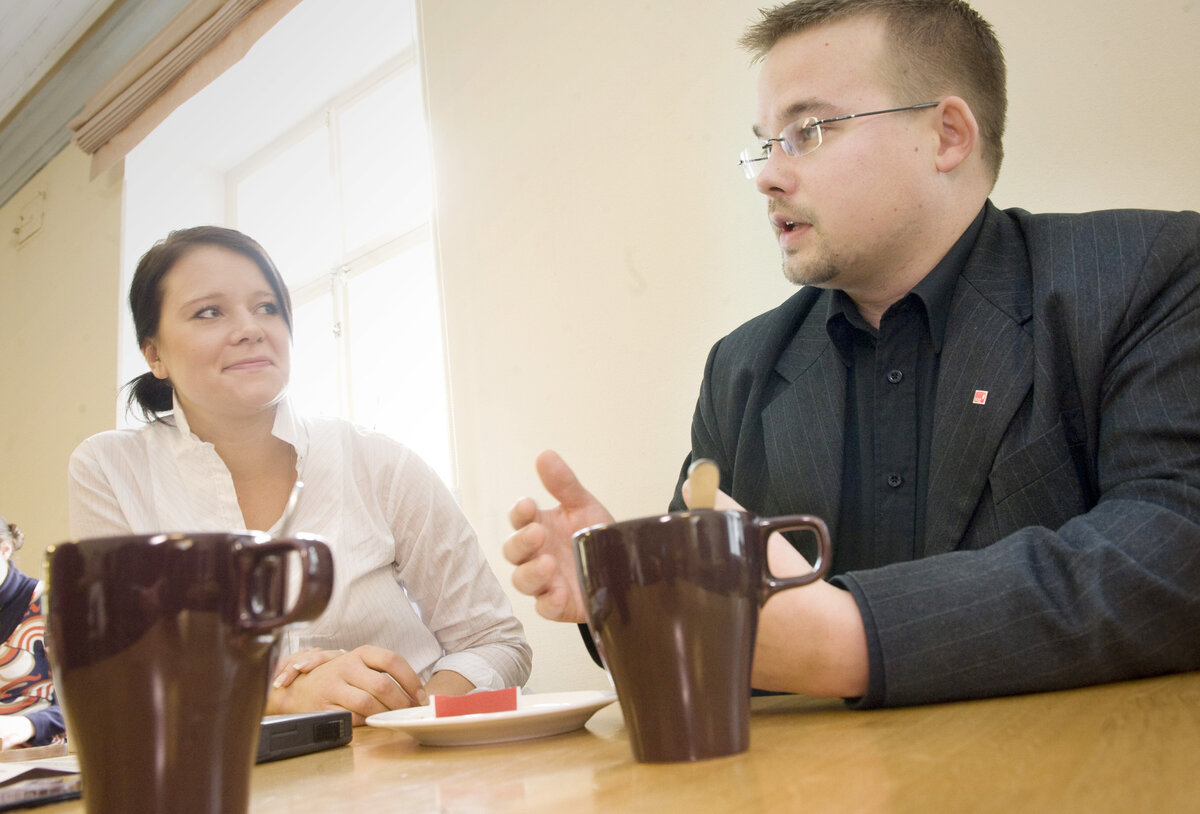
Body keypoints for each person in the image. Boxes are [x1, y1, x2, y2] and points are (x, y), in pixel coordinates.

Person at [504, 0, 1200, 708]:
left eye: (807, 131)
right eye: (765, 143)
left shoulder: (1143, 276)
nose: (767, 176)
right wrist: (621, 592)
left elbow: (1174, 550)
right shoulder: (739, 371)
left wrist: (851, 639)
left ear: (947, 134)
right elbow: (714, 638)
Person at [69, 226, 531, 724]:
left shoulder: (379, 462)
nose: (251, 328)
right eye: (209, 312)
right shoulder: (110, 469)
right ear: (153, 353)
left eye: (267, 307)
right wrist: (281, 698)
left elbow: (495, 642)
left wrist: (408, 713)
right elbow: (110, 680)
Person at [0, 515, 66, 749]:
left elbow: (89, 703)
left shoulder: (49, 605)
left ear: (5, 550)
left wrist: (26, 725)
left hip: (39, 758)